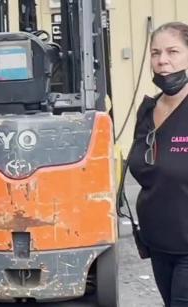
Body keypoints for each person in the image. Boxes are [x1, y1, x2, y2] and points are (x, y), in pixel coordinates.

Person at [128, 21, 188, 307]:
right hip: (158, 242)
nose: (163, 60)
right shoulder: (148, 109)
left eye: (173, 51)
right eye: (155, 53)